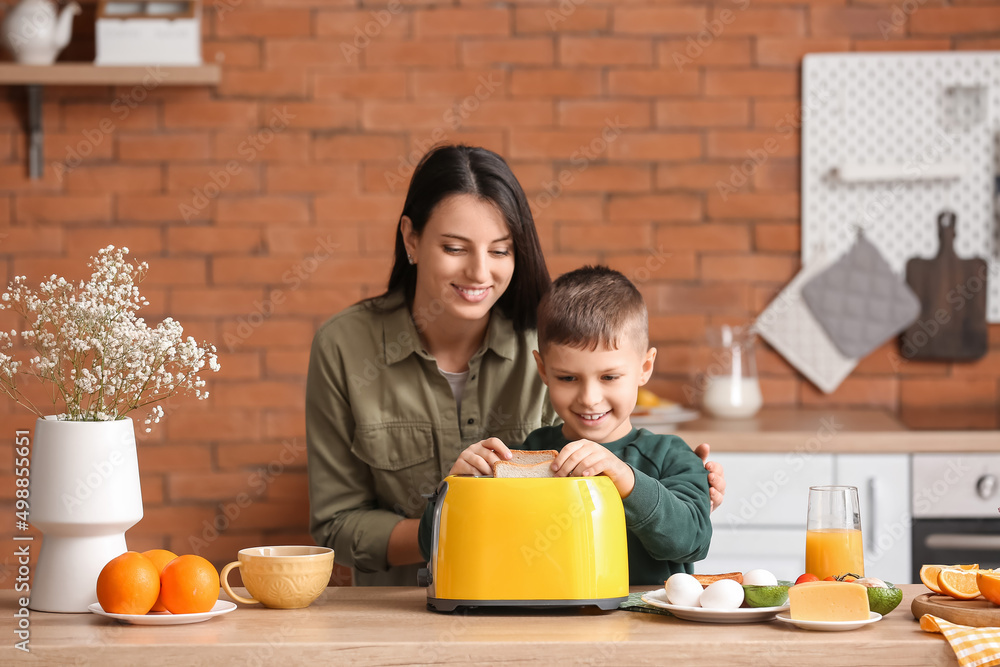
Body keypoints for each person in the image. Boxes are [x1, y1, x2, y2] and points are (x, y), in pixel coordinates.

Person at [306, 145, 725, 586]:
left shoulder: (552, 333)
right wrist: (456, 505)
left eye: (501, 250)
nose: (478, 272)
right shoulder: (344, 346)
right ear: (411, 238)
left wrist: (670, 488)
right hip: (411, 607)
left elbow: (610, 451)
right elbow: (337, 526)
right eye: (453, 247)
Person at [420, 266, 711, 584]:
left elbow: (692, 541)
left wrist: (625, 479)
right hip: (548, 624)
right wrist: (457, 487)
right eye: (568, 378)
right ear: (543, 371)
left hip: (645, 628)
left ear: (645, 367)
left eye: (609, 377)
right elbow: (433, 546)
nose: (589, 398)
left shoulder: (671, 456)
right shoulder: (522, 456)